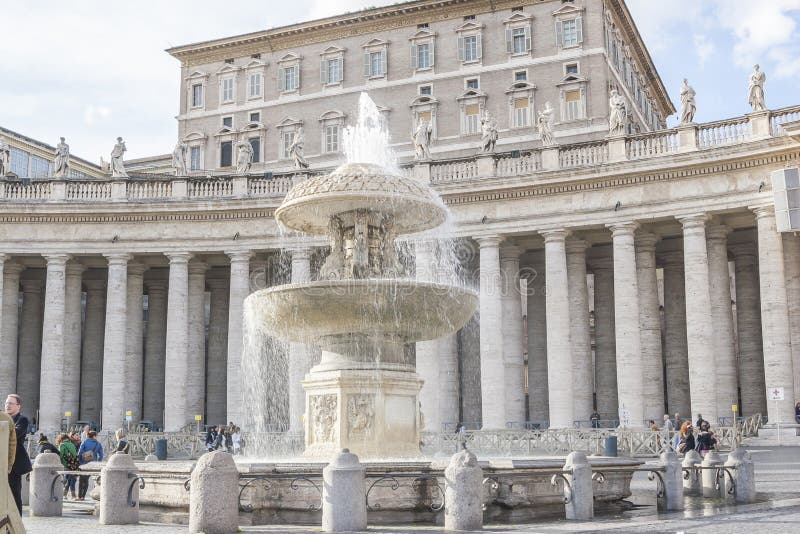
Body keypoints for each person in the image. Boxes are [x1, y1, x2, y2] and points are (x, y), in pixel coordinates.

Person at [5, 394, 32, 514]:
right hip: (2, 462)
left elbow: (14, 433)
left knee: (14, 494)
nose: (7, 405)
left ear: (18, 406)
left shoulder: (22, 420)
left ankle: (16, 526)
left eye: (11, 403)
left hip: (14, 464)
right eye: (6, 403)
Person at [76, 430, 104, 501]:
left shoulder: (84, 442)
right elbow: (101, 455)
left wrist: (80, 461)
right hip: (93, 464)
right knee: (90, 480)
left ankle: (80, 496)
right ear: (94, 436)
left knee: (82, 480)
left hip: (83, 464)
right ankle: (90, 495)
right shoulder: (98, 444)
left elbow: (79, 453)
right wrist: (98, 462)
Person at [56, 433, 79, 500]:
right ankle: (69, 495)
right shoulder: (72, 444)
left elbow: (60, 455)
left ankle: (69, 495)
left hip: (66, 464)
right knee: (71, 479)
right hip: (73, 464)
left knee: (67, 480)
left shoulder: (62, 445)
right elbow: (75, 454)